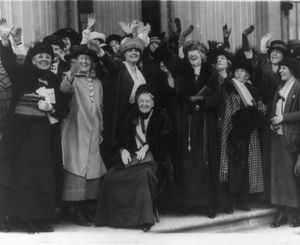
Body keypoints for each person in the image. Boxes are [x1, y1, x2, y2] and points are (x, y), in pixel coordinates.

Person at [0, 42, 63, 233]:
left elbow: (63, 107)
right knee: (19, 174)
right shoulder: (22, 73)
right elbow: (9, 63)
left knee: (40, 176)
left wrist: (51, 108)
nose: (44, 59)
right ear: (33, 60)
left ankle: (38, 218)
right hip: (19, 133)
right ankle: (17, 218)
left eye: (47, 57)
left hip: (43, 134)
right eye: (40, 57)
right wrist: (5, 44)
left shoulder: (53, 79)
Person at [94, 84, 173, 231]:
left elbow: (166, 143)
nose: (144, 104)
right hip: (130, 159)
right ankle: (112, 218)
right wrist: (122, 150)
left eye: (147, 101)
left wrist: (148, 146)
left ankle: (144, 219)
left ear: (153, 103)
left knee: (144, 175)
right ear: (137, 102)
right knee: (110, 177)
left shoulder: (161, 118)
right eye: (141, 101)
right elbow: (118, 139)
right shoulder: (129, 116)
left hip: (153, 160)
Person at [60, 46, 107, 226]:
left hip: (94, 129)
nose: (85, 62)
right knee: (77, 166)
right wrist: (71, 73)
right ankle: (75, 208)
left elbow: (100, 107)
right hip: (77, 128)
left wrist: (101, 129)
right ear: (75, 61)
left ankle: (86, 207)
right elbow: (64, 88)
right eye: (81, 59)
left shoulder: (97, 82)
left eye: (88, 59)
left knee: (92, 167)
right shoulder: (72, 79)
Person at [88, 37, 147, 165]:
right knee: (114, 149)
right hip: (118, 114)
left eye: (136, 51)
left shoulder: (140, 72)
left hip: (133, 117)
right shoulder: (120, 66)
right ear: (124, 54)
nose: (134, 53)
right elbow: (110, 64)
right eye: (130, 50)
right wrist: (100, 52)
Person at [219, 59, 266, 212]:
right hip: (233, 131)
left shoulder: (253, 91)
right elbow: (227, 109)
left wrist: (254, 115)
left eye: (242, 71)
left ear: (247, 75)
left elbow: (261, 110)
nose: (239, 73)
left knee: (246, 166)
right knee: (233, 164)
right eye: (237, 71)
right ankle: (230, 200)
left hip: (249, 133)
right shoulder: (229, 87)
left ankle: (243, 200)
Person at [269, 57, 300, 228]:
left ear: (292, 70)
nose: (280, 71)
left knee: (290, 176)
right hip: (277, 136)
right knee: (278, 176)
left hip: (291, 138)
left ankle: (294, 213)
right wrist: (273, 120)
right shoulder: (280, 87)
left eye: (284, 68)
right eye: (280, 68)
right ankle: (281, 211)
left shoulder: (298, 87)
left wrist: (284, 118)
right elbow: (274, 107)